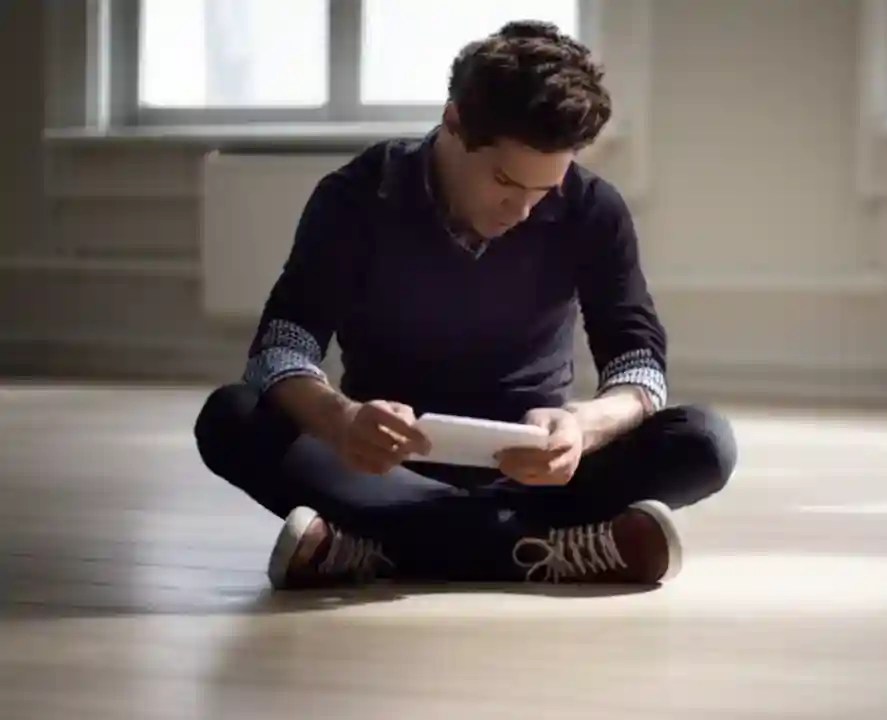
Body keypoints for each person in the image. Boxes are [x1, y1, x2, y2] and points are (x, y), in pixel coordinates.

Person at [193, 20, 736, 590]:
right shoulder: (357, 196)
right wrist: (341, 419)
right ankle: (541, 548)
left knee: (704, 441)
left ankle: (383, 547)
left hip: (538, 474)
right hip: (382, 467)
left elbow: (638, 363)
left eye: (544, 191)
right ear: (453, 121)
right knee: (232, 416)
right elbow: (281, 347)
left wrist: (584, 427)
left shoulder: (594, 209)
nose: (521, 211)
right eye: (505, 181)